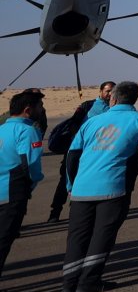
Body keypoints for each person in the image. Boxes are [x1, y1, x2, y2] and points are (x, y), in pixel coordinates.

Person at [62, 81, 138, 292]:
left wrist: (71, 184)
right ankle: (89, 281)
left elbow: (72, 155)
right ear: (135, 99)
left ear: (112, 98)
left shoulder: (91, 122)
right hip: (114, 188)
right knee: (102, 234)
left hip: (81, 189)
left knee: (77, 235)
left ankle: (68, 283)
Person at [46, 80, 114, 223]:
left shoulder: (114, 109)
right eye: (107, 91)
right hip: (77, 150)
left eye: (112, 91)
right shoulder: (87, 106)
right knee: (65, 180)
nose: (109, 94)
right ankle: (55, 212)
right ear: (101, 91)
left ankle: (76, 212)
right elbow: (73, 125)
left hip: (97, 153)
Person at [1, 92, 46, 292]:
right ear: (28, 109)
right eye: (40, 106)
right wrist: (30, 186)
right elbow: (32, 166)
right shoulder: (28, 131)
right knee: (3, 241)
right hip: (12, 193)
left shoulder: (2, 129)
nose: (42, 110)